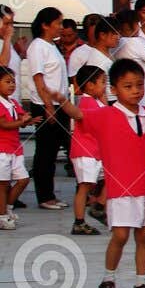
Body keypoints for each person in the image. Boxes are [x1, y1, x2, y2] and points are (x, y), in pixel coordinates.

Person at [78, 60, 145, 288]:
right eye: (128, 86)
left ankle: (141, 283)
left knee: (144, 236)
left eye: (139, 85)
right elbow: (79, 115)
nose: (135, 91)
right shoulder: (106, 115)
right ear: (114, 89)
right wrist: (58, 99)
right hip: (122, 189)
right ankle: (108, 279)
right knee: (120, 236)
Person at [24, 7, 69, 210]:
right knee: (45, 151)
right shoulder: (37, 47)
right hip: (45, 105)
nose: (61, 27)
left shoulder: (53, 46)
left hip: (60, 104)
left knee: (56, 149)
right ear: (45, 25)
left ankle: (50, 194)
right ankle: (44, 196)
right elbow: (38, 78)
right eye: (58, 23)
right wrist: (48, 106)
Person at [64, 65, 104, 234]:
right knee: (84, 186)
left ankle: (99, 206)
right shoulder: (87, 102)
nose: (105, 86)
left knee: (109, 178)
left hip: (94, 152)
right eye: (102, 82)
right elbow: (82, 116)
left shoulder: (96, 102)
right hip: (86, 152)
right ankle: (79, 221)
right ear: (90, 85)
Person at [0, 65, 36, 227]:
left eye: (13, 82)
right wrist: (22, 122)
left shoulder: (13, 102)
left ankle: (8, 207)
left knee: (23, 180)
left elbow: (21, 120)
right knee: (3, 184)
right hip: (3, 150)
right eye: (7, 82)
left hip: (15, 149)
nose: (12, 85)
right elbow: (5, 124)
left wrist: (28, 120)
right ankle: (2, 216)